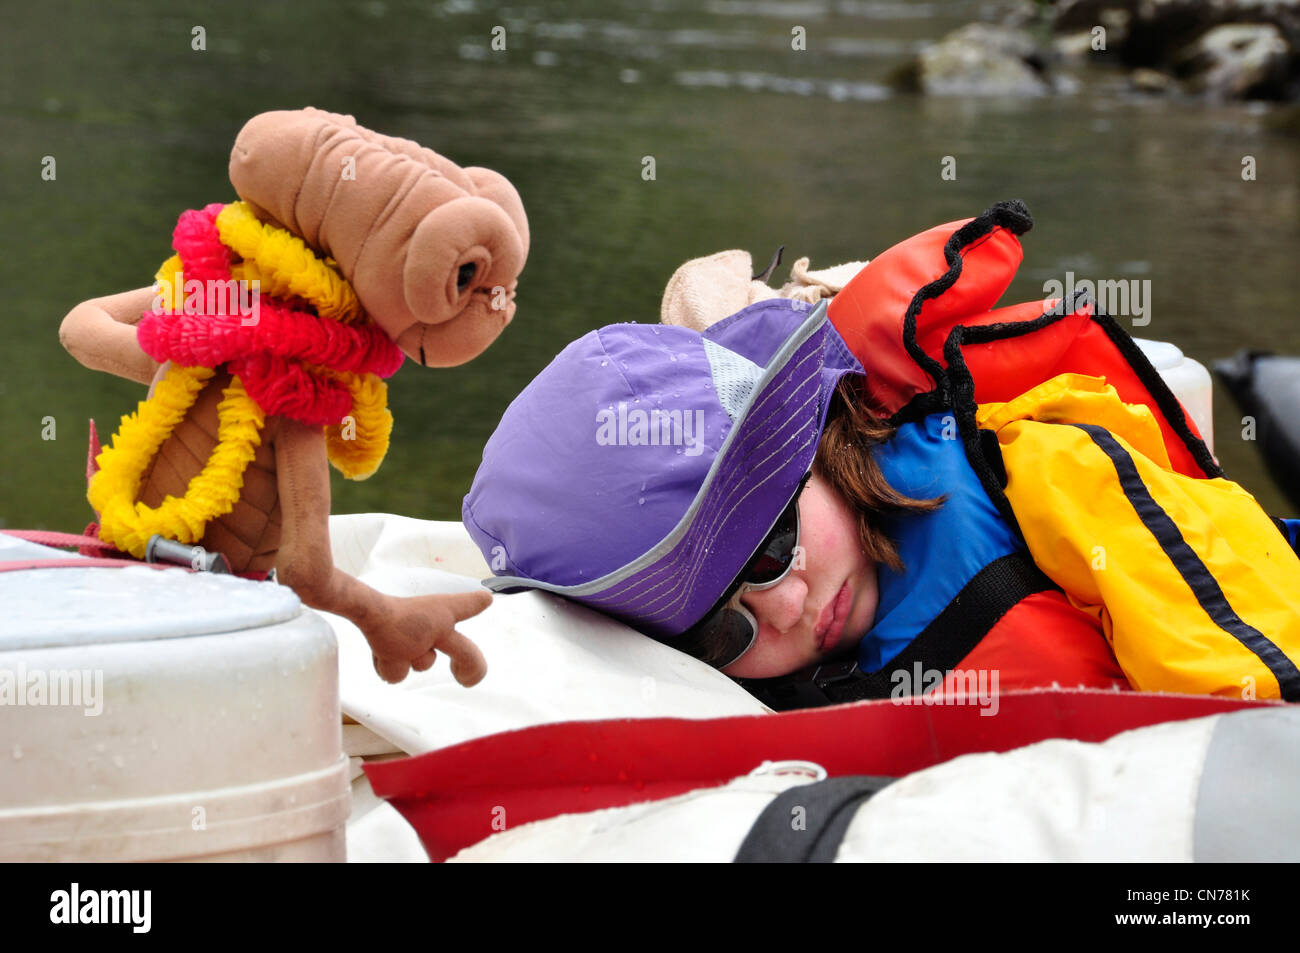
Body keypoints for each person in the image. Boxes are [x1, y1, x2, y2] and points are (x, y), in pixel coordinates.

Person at [464, 201, 1300, 709]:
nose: (786, 609)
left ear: (811, 441)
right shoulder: (760, 687)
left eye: (772, 547)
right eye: (724, 629)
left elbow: (1256, 683)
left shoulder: (1044, 476)